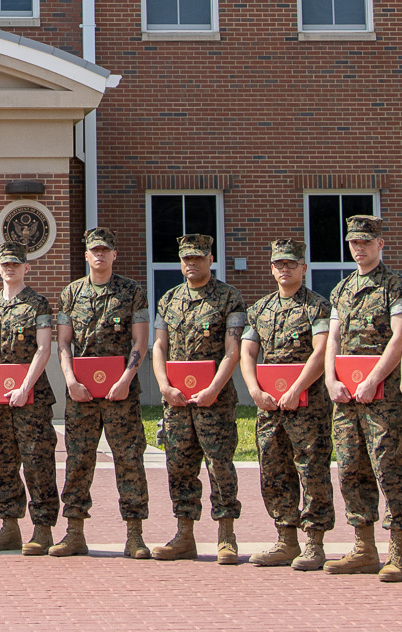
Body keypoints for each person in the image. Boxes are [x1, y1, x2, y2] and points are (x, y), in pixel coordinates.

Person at [321, 213, 402, 578]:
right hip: (346, 398)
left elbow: (399, 337)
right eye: (354, 243)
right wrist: (330, 379)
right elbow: (333, 338)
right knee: (350, 469)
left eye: (365, 242)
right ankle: (364, 547)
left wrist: (374, 379)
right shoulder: (341, 290)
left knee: (389, 468)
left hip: (383, 396)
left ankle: (398, 550)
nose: (359, 248)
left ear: (380, 244)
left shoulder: (396, 286)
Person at [52, 227, 151, 559]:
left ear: (114, 255)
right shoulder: (71, 293)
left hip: (120, 393)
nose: (100, 255)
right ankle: (74, 532)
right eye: (95, 250)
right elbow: (63, 343)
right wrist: (70, 380)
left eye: (105, 250)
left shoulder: (132, 291)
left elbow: (140, 341)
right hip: (81, 393)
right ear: (86, 255)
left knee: (129, 459)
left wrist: (126, 379)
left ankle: (134, 535)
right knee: (78, 460)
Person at [151, 233, 246, 564]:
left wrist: (214, 389)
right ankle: (184, 535)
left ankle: (226, 535)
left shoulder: (229, 298)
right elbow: (160, 345)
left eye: (198, 258)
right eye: (186, 258)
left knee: (219, 465)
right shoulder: (169, 299)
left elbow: (232, 350)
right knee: (179, 466)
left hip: (214, 401)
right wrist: (163, 386)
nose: (191, 263)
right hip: (177, 402)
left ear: (210, 260)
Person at [240, 239, 334, 571]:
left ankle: (314, 543)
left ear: (303, 268)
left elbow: (321, 352)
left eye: (291, 264)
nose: (285, 269)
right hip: (269, 407)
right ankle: (286, 539)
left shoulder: (317, 307)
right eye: (279, 264)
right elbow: (248, 351)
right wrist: (253, 389)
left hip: (307, 406)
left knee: (312, 471)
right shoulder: (260, 309)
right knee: (274, 471)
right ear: (271, 269)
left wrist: (296, 389)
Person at [0, 243, 58, 555]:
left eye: (16, 264)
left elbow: (43, 348)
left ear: (26, 267)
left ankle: (43, 529)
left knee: (37, 462)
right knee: (1, 464)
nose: (10, 269)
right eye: (5, 264)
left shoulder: (38, 304)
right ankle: (9, 527)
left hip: (31, 400)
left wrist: (24, 387)